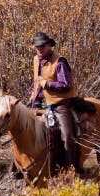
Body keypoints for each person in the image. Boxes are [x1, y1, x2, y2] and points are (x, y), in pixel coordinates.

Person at [28, 32, 81, 174]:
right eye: (37, 47)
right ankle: (18, 168)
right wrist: (33, 99)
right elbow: (36, 83)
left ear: (49, 46)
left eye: (42, 46)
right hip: (40, 103)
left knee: (67, 136)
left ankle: (72, 168)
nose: (39, 49)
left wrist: (46, 84)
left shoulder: (60, 62)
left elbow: (66, 85)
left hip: (59, 104)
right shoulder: (36, 60)